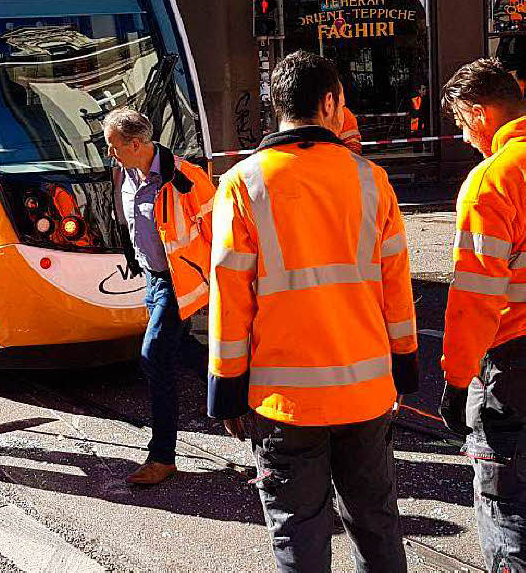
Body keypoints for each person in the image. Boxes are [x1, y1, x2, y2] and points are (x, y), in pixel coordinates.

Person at [208, 50, 418, 573]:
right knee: (376, 527)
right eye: (342, 101)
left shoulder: (243, 184)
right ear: (328, 103)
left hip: (285, 401)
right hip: (366, 392)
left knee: (298, 534)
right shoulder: (372, 181)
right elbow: (396, 286)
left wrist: (227, 388)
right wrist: (405, 363)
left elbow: (230, 296)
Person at [438, 58, 526, 572]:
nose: (464, 137)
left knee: (508, 504)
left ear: (479, 114)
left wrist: (456, 379)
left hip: (512, 362)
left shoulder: (492, 180)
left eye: (461, 124)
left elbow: (474, 297)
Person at [103, 107, 216, 486]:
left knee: (155, 358)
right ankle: (239, 400)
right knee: (181, 350)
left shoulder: (185, 177)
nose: (110, 153)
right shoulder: (127, 173)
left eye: (113, 145)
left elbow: (221, 233)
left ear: (136, 144)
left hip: (178, 282)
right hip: (153, 280)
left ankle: (162, 455)